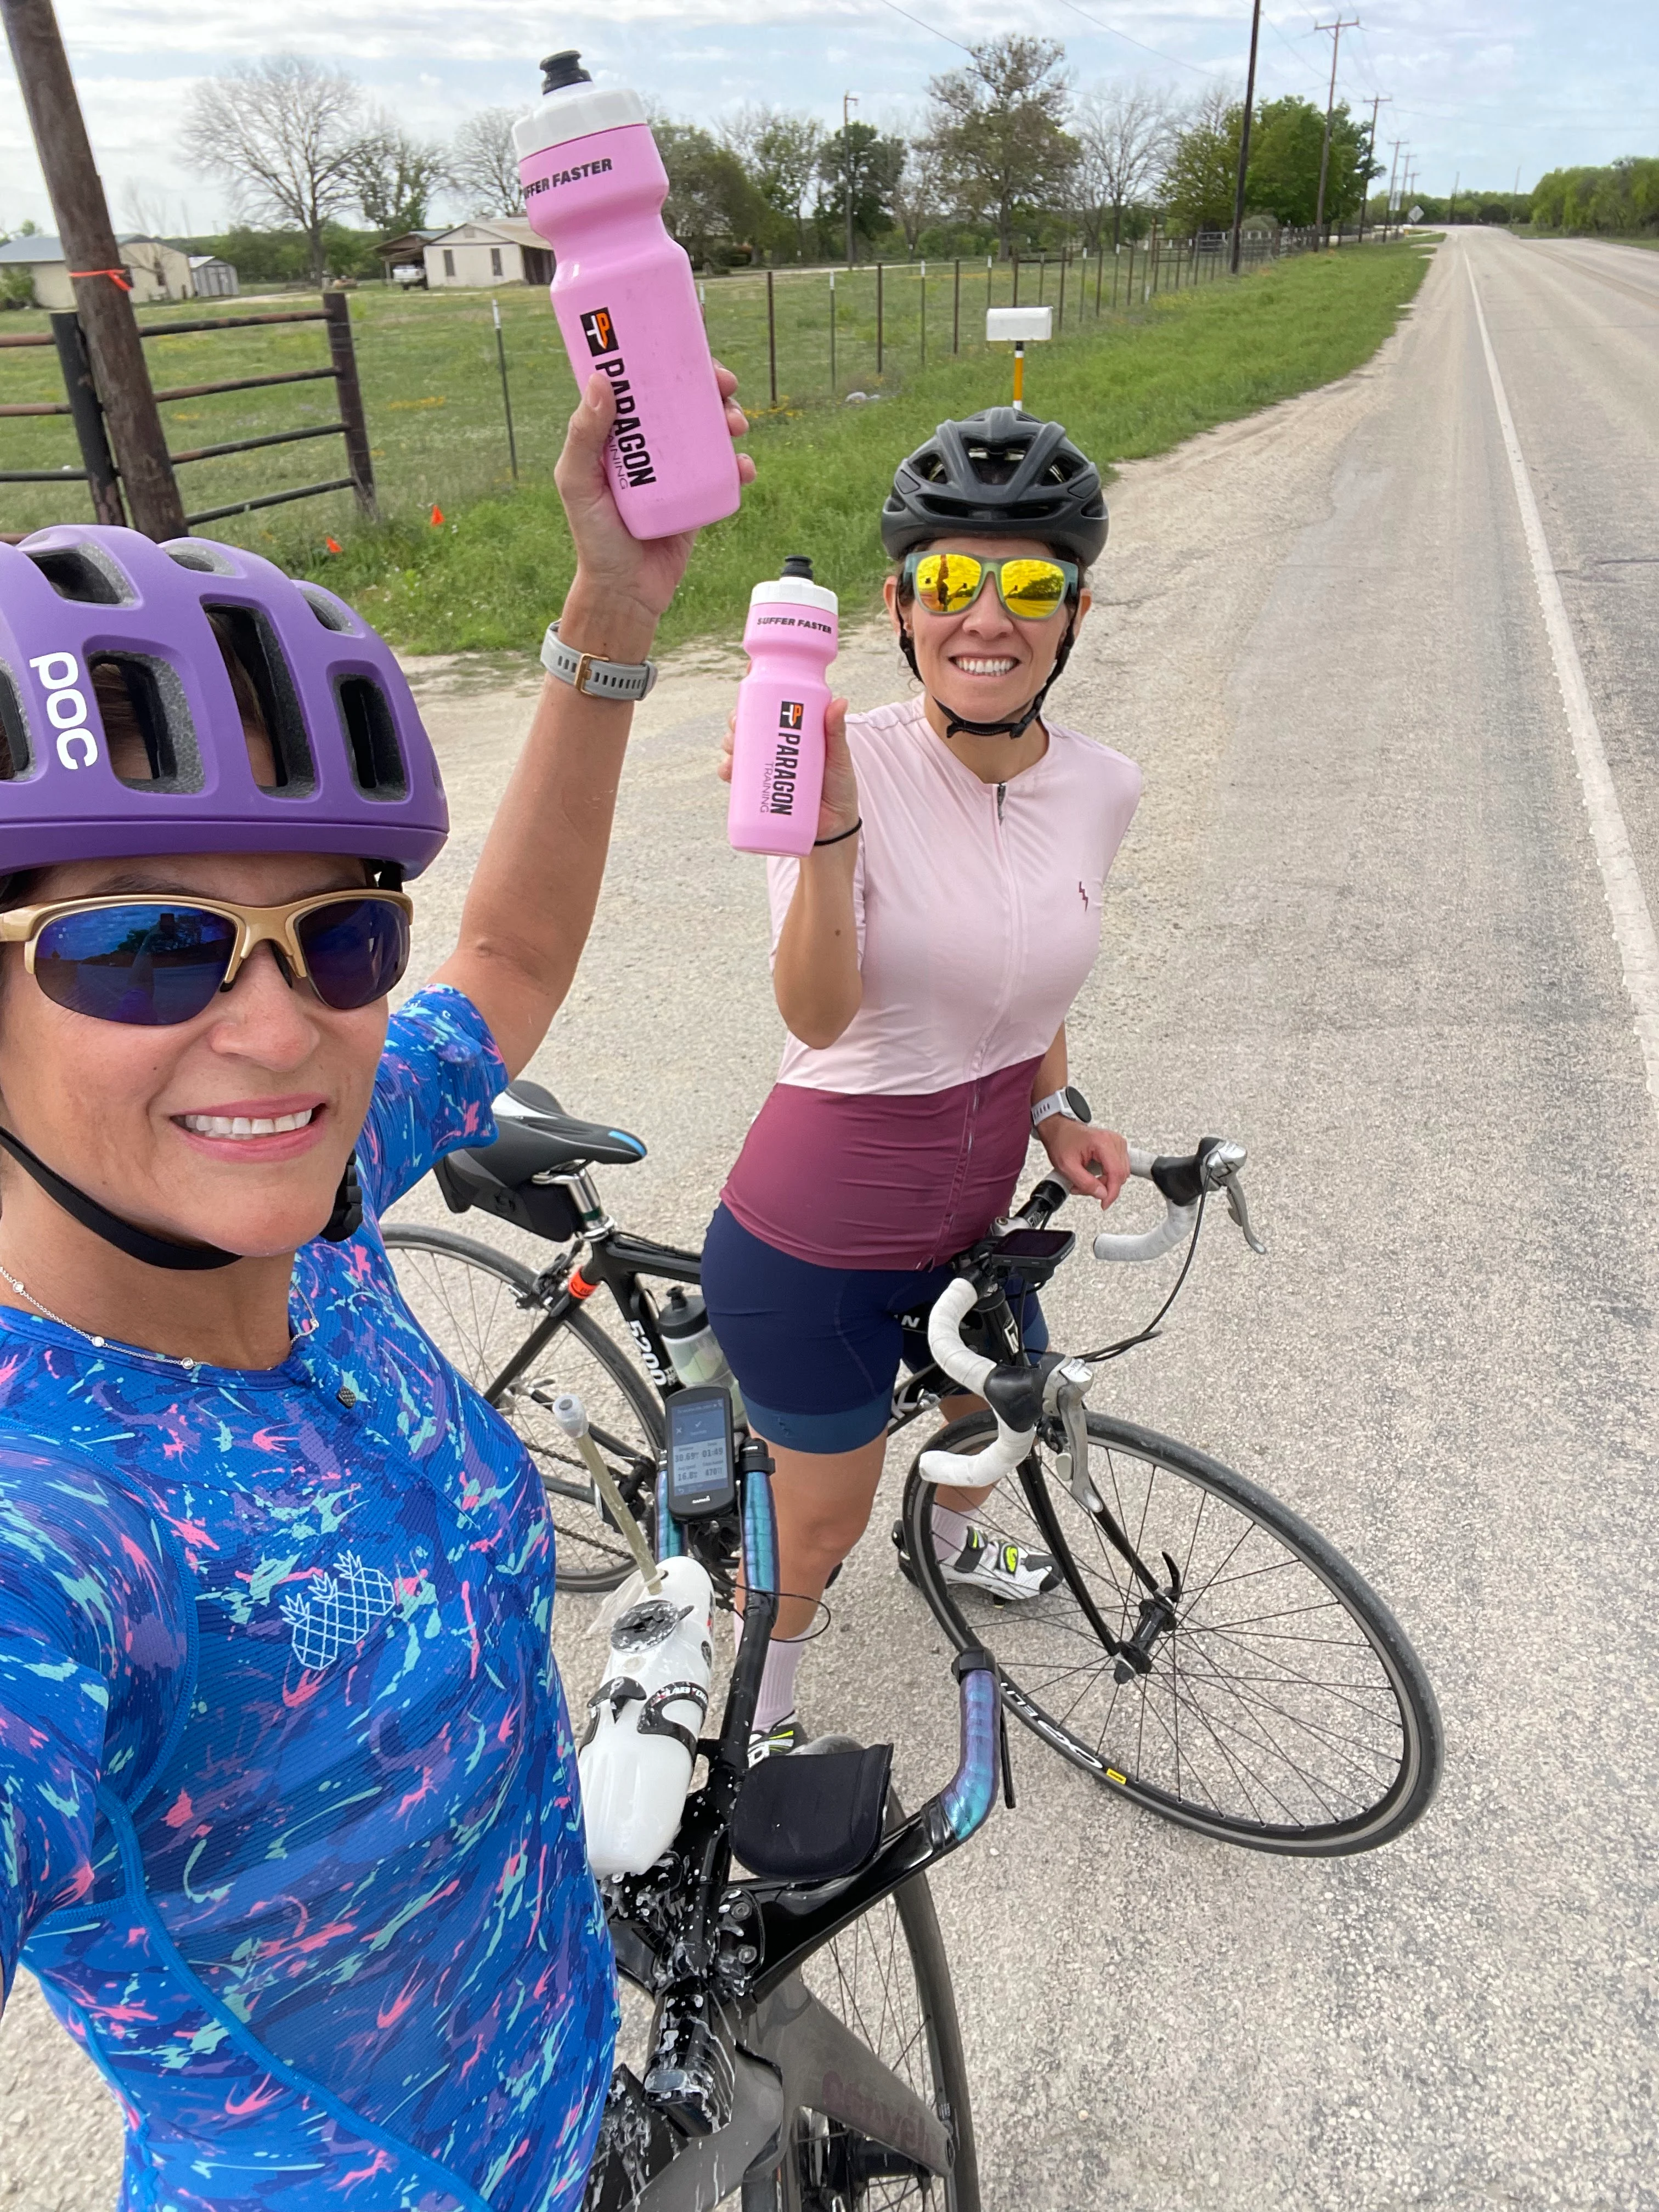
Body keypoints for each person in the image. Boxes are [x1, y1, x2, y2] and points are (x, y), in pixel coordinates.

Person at [0, 365, 752, 2210]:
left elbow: (502, 962)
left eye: (336, 931)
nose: (277, 1030)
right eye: (143, 944)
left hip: (566, 2103)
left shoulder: (303, 1200)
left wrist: (611, 608)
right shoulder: (48, 1527)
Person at [704, 407, 1142, 1759]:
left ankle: (944, 1558)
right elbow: (816, 1014)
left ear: (1075, 613)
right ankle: (756, 1721)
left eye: (1032, 588)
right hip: (817, 1242)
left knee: (994, 1424)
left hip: (974, 1219)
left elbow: (1031, 974)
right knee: (820, 1519)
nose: (987, 619)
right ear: (899, 607)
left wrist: (1056, 1110)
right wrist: (830, 831)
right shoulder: (831, 760)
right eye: (950, 581)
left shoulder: (1103, 787)